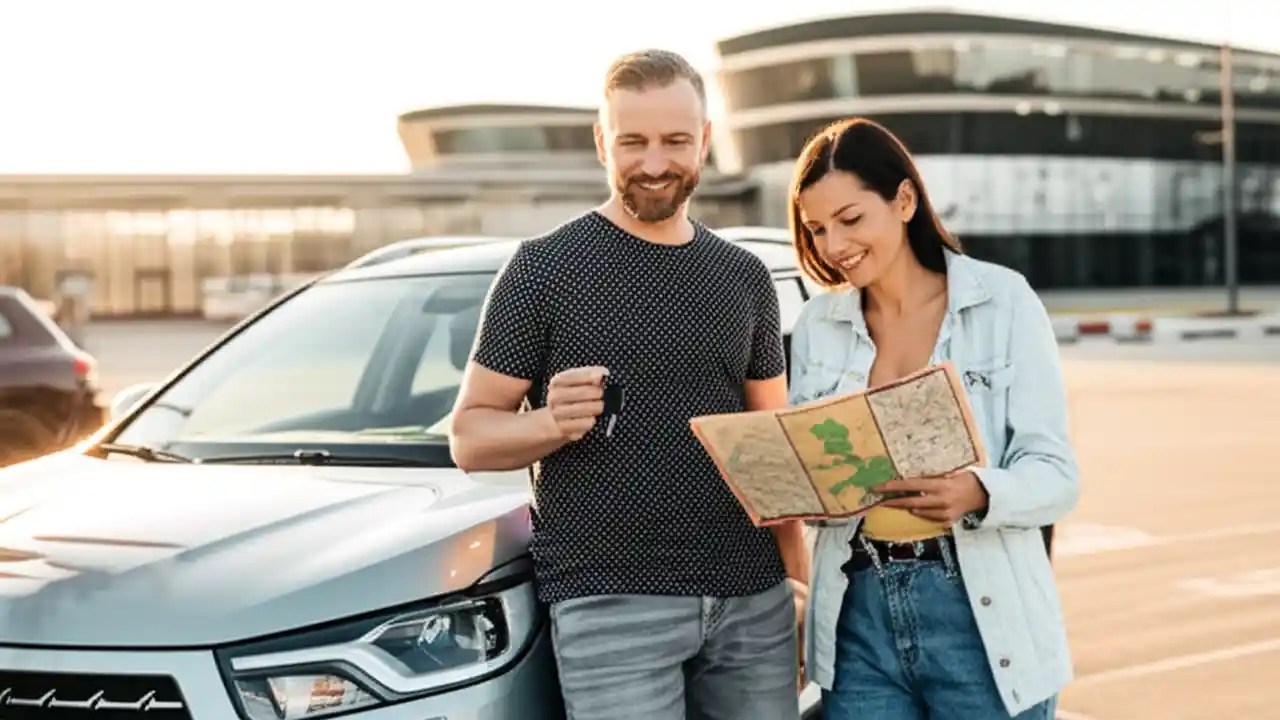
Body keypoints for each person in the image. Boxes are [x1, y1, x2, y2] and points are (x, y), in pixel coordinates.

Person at [448, 49, 808, 720]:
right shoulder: (543, 270)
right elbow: (469, 438)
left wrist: (800, 588)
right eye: (632, 141)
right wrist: (549, 424)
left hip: (752, 600)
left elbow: (772, 454)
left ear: (704, 139)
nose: (653, 164)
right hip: (611, 602)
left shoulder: (745, 279)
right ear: (600, 142)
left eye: (675, 141)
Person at [786, 117, 1079, 719]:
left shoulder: (1002, 302)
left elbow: (1055, 474)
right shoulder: (820, 324)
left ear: (904, 200)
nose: (834, 246)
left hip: (977, 607)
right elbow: (807, 459)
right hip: (856, 612)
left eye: (850, 219)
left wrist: (976, 490)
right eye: (816, 229)